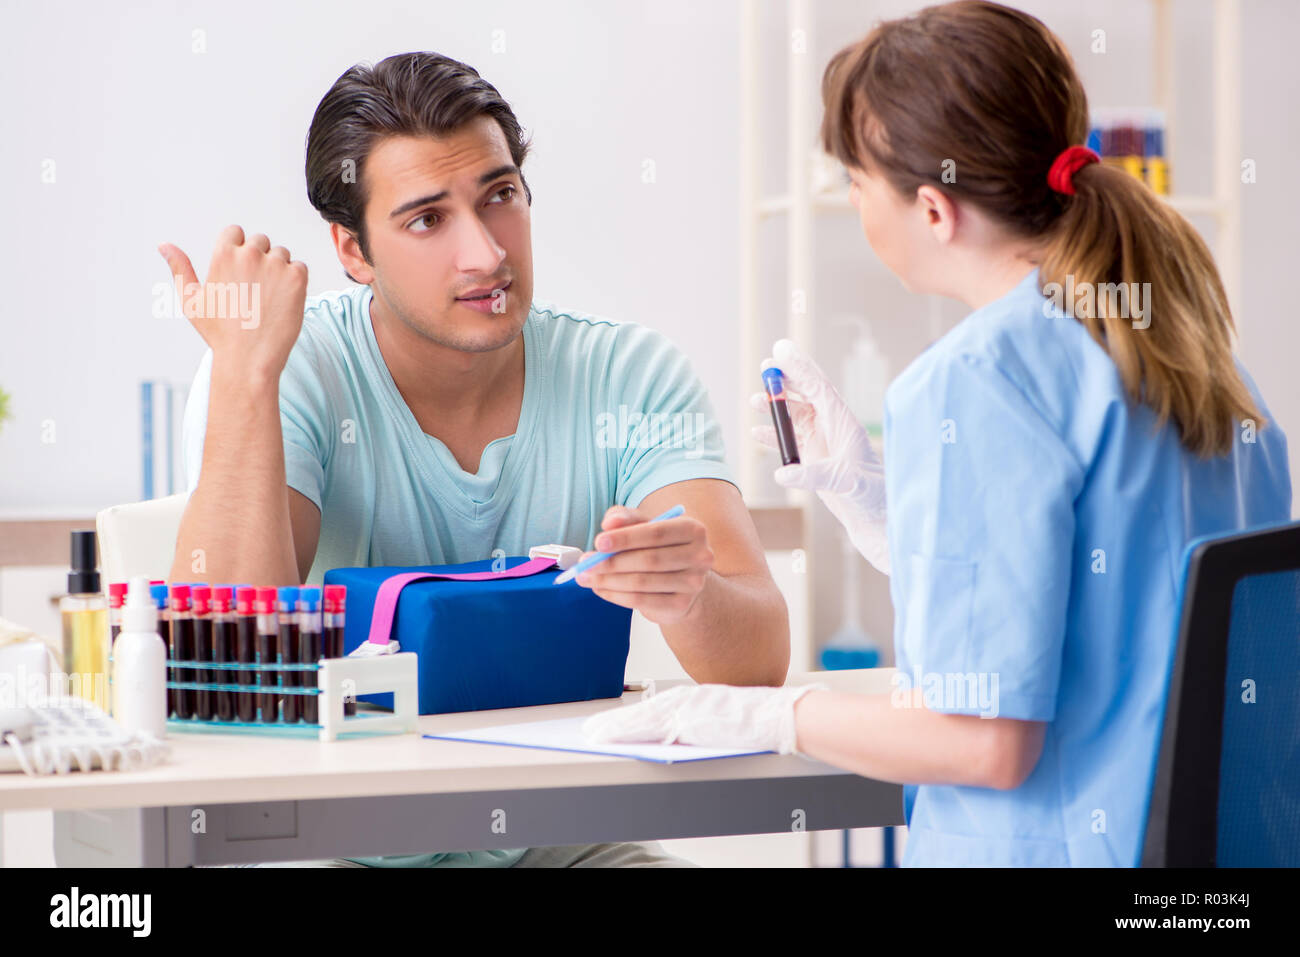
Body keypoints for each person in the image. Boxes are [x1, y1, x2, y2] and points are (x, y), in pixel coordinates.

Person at [584, 0, 1292, 867]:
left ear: (931, 208)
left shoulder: (978, 379)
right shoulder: (1199, 366)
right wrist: (874, 502)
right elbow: (1103, 595)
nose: (851, 198)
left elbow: (983, 742)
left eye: (855, 178)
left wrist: (767, 712)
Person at [161, 52, 790, 868]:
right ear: (353, 251)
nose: (487, 254)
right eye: (428, 219)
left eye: (500, 197)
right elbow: (229, 660)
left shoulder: (630, 374)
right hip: (338, 841)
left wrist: (689, 594)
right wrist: (245, 378)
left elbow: (758, 668)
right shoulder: (285, 366)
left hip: (564, 839)